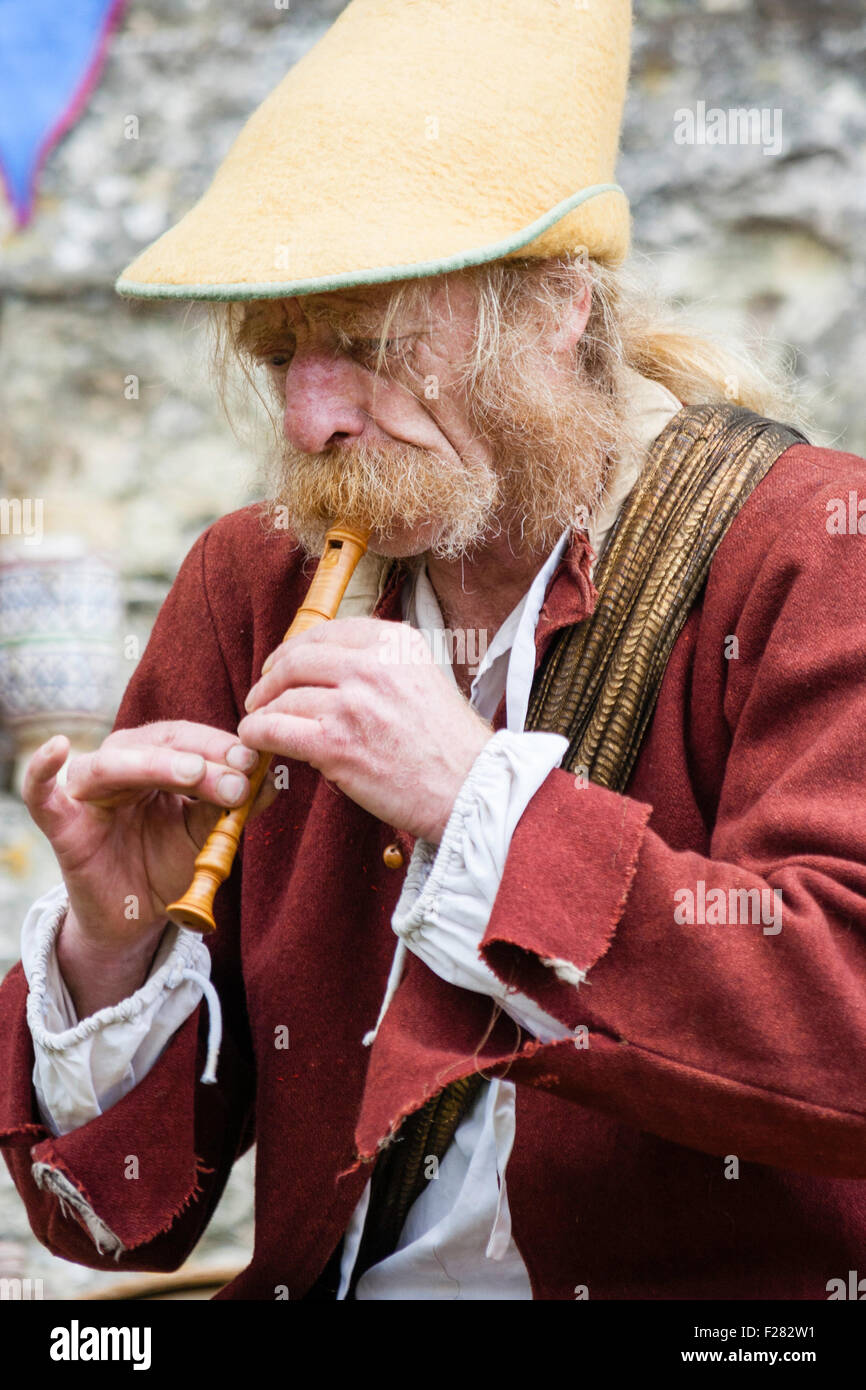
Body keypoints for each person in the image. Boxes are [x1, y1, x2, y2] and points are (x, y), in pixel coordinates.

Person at [2, 0, 865, 1301]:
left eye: (364, 342)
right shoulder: (250, 579)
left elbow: (841, 1041)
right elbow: (121, 1221)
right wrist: (113, 940)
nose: (308, 414)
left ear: (557, 307)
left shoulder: (808, 548)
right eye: (280, 350)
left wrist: (481, 806)